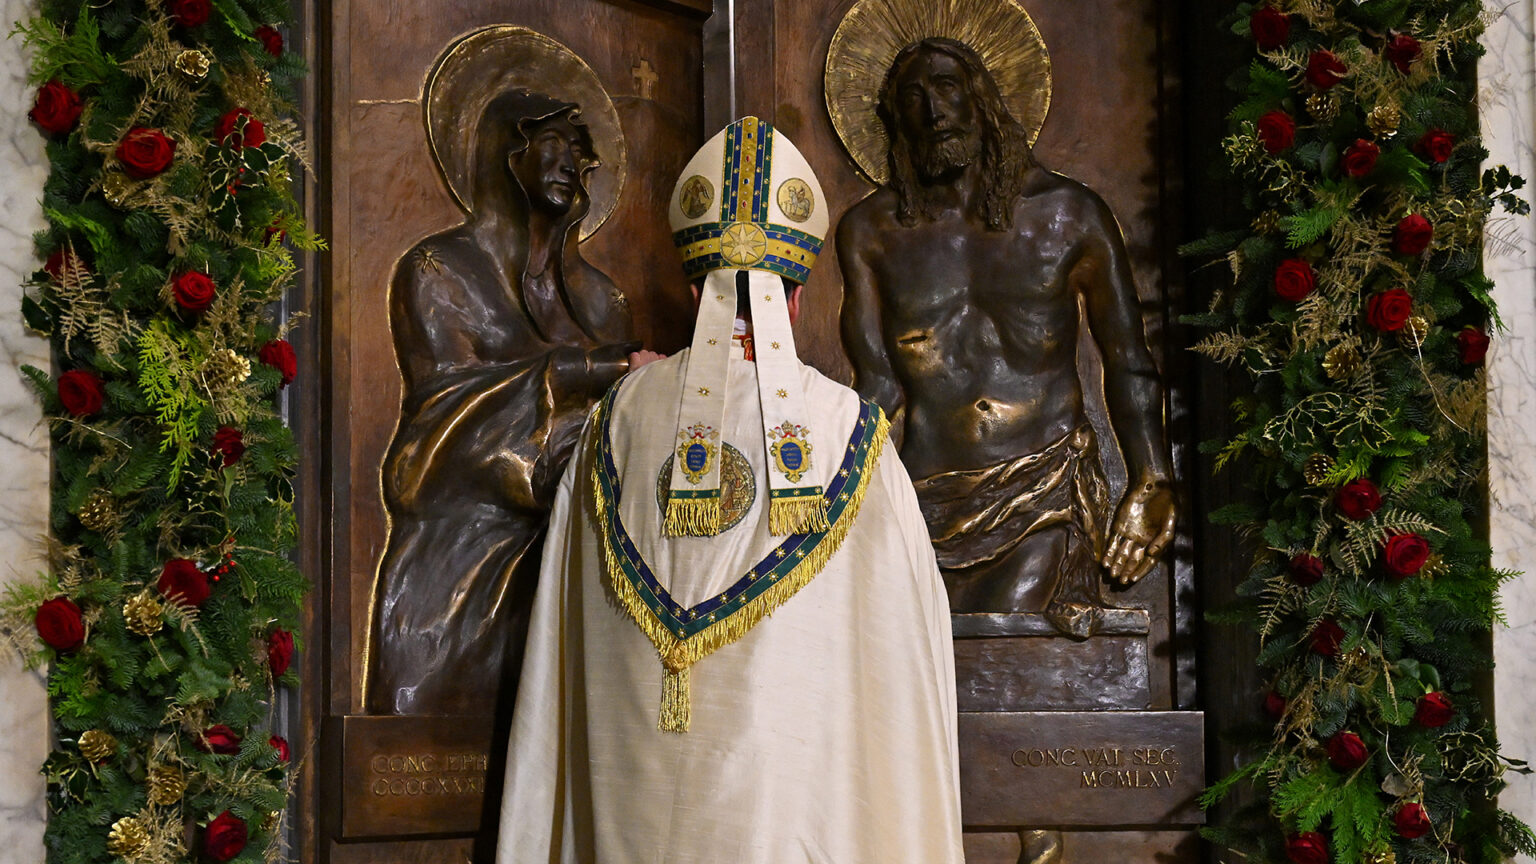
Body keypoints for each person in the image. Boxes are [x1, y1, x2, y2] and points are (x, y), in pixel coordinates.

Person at [497, 117, 964, 863]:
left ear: (692, 288)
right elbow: (901, 658)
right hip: (793, 802)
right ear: (800, 292)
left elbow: (564, 630)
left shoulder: (615, 420)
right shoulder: (851, 432)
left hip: (631, 790)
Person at [837, 37, 1176, 637]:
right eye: (913, 97)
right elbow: (878, 386)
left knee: (1004, 644)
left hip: (1043, 487)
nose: (933, 111)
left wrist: (1151, 479)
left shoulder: (1070, 214)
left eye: (946, 88)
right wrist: (830, 501)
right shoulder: (873, 230)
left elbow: (1128, 360)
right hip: (921, 497)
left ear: (982, 101)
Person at [367, 89, 636, 715]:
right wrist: (594, 368)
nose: (573, 161)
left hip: (571, 564)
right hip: (459, 561)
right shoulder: (439, 270)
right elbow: (445, 421)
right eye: (552, 142)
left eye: (581, 149)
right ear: (500, 153)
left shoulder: (602, 300)